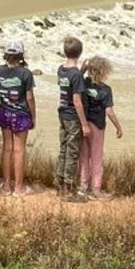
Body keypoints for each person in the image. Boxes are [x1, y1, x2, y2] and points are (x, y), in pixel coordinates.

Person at [0, 41, 37, 198]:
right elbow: (30, 98)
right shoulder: (26, 74)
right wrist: (33, 116)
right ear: (21, 56)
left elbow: (0, 87)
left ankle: (6, 186)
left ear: (6, 55)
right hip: (21, 114)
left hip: (5, 112)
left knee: (6, 148)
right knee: (19, 150)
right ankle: (19, 187)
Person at [79, 56, 122, 200]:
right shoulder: (106, 90)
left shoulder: (84, 83)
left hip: (84, 123)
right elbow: (109, 111)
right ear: (104, 72)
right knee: (97, 157)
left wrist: (82, 70)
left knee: (84, 157)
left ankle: (82, 187)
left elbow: (75, 81)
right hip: (97, 126)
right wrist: (118, 126)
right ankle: (96, 189)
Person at [55, 36, 91, 202]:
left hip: (62, 112)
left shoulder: (61, 69)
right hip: (72, 116)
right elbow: (77, 101)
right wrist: (84, 124)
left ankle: (59, 184)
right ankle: (69, 189)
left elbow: (68, 85)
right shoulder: (76, 75)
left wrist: (81, 71)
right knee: (72, 151)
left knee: (63, 148)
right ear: (80, 52)